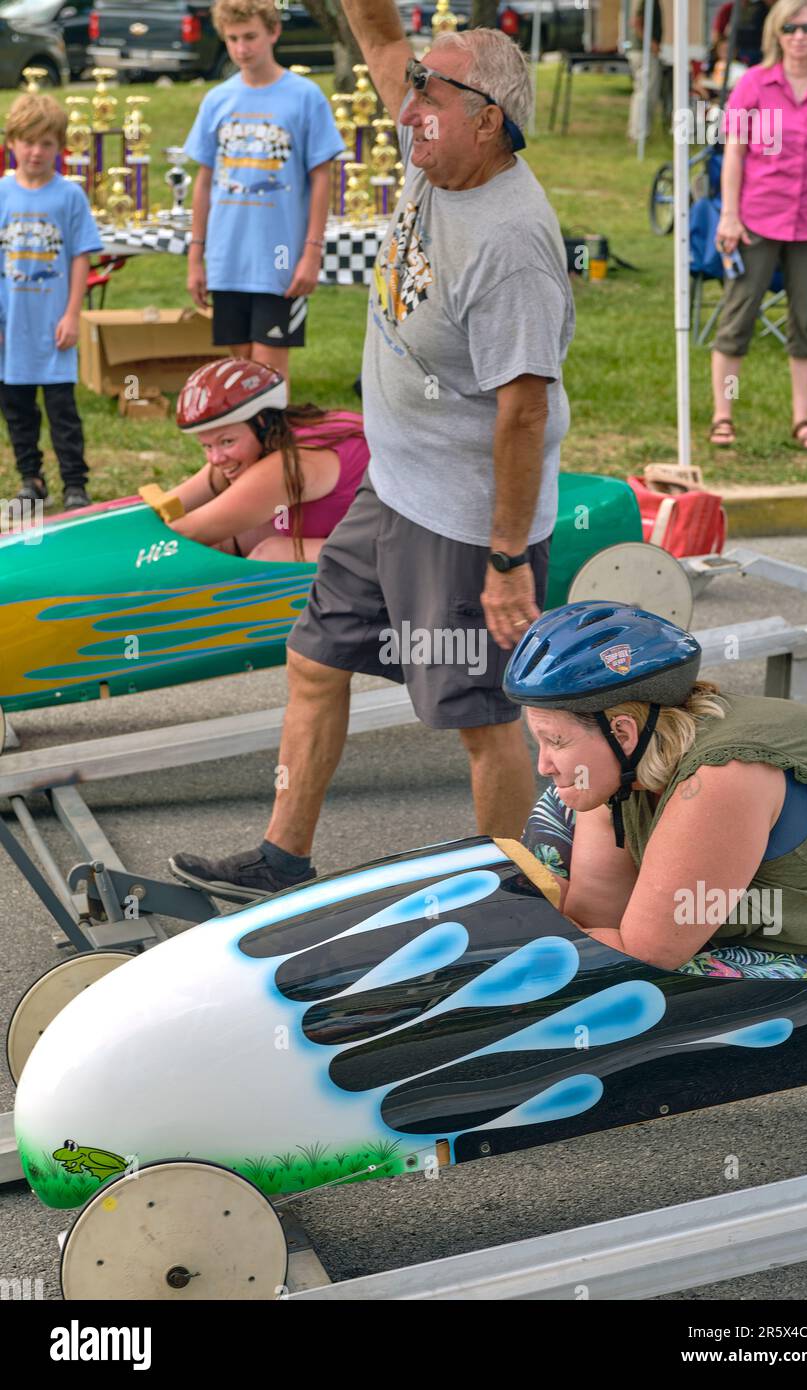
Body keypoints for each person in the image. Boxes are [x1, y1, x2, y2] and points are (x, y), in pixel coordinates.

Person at [168, 13, 575, 903]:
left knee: (480, 716)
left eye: (433, 89)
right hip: (391, 489)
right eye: (418, 83)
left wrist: (506, 563)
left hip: (466, 521)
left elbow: (523, 412)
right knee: (316, 659)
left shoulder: (511, 244)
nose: (409, 99)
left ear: (490, 116)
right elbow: (385, 40)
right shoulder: (443, 138)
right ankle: (282, 858)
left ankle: (523, 896)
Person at [508, 601, 807, 980]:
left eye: (556, 741)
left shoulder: (721, 779)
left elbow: (641, 957)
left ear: (623, 733)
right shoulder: (630, 761)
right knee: (563, 797)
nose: (542, 764)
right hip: (743, 906)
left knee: (650, 985)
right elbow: (595, 914)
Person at [710, 0, 807, 452]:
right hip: (756, 220)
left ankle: (802, 419)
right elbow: (733, 153)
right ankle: (724, 414)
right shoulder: (754, 84)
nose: (800, 36)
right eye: (791, 27)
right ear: (777, 33)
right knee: (737, 323)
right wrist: (729, 215)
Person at [184, 0, 344, 392]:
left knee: (269, 376)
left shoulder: (305, 97)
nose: (242, 49)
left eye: (251, 37)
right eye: (234, 39)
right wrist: (195, 256)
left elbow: (322, 178)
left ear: (273, 32)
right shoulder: (217, 100)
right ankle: (246, 454)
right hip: (227, 255)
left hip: (280, 258)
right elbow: (205, 181)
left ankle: (279, 451)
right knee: (238, 376)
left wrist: (311, 252)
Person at [0, 93, 102, 511]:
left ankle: (75, 483)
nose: (36, 151)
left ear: (60, 147)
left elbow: (81, 256)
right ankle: (31, 478)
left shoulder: (69, 196)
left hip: (54, 324)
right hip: (11, 327)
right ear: (11, 143)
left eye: (45, 143)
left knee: (63, 412)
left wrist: (72, 314)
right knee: (17, 409)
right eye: (28, 141)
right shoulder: (3, 192)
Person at [167, 359, 369, 563]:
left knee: (271, 553)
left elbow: (186, 533)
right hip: (375, 538)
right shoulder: (278, 433)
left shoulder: (291, 463)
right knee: (227, 542)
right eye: (207, 446)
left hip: (392, 555)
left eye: (227, 441)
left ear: (261, 422)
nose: (216, 459)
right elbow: (169, 504)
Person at [627, 0, 663, 143]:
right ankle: (637, 133)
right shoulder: (648, 2)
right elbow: (636, 22)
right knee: (644, 95)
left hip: (642, 52)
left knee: (643, 93)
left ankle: (638, 131)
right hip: (644, 53)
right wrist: (651, 43)